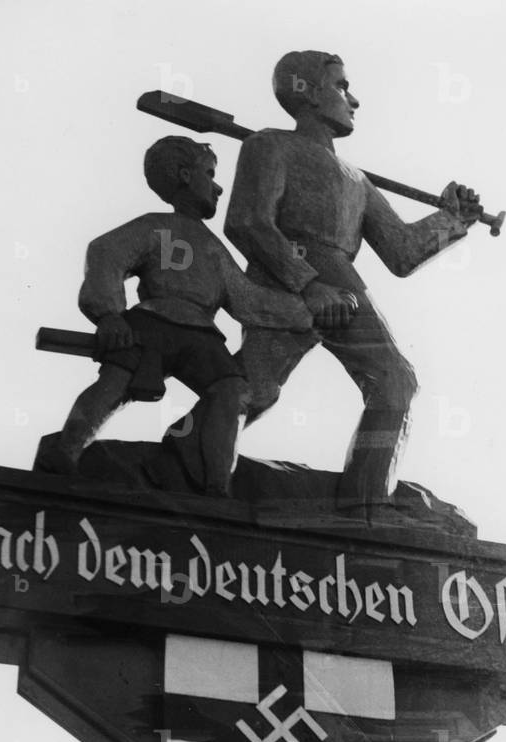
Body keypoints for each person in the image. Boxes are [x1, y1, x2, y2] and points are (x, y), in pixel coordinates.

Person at [224, 50, 482, 515]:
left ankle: (366, 500)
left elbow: (401, 251)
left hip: (343, 283)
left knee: (393, 381)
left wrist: (452, 219)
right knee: (254, 389)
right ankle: (188, 459)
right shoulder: (269, 145)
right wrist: (308, 285)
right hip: (284, 275)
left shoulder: (356, 180)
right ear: (306, 91)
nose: (354, 100)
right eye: (342, 86)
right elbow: (248, 222)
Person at [49, 135, 318, 495]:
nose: (218, 187)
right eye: (210, 174)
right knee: (116, 382)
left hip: (201, 336)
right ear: (184, 175)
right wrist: (109, 314)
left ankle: (217, 487)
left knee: (233, 392)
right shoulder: (155, 226)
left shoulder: (214, 249)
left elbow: (248, 299)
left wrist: (306, 313)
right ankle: (64, 455)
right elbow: (106, 252)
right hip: (150, 324)